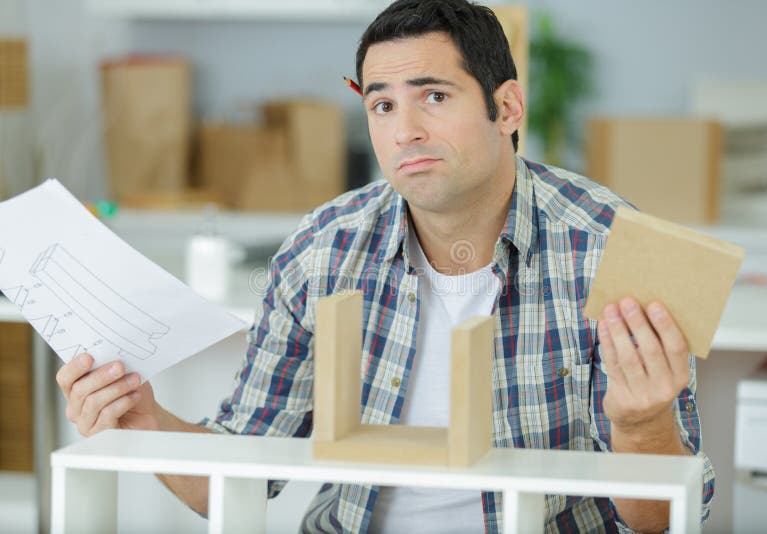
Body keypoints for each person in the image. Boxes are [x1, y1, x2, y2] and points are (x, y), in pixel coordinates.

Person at [55, 0, 715, 532]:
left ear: (507, 107)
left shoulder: (611, 243)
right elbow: (239, 475)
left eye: (433, 97)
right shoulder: (324, 250)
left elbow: (660, 519)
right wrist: (148, 424)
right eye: (382, 104)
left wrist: (641, 425)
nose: (404, 132)